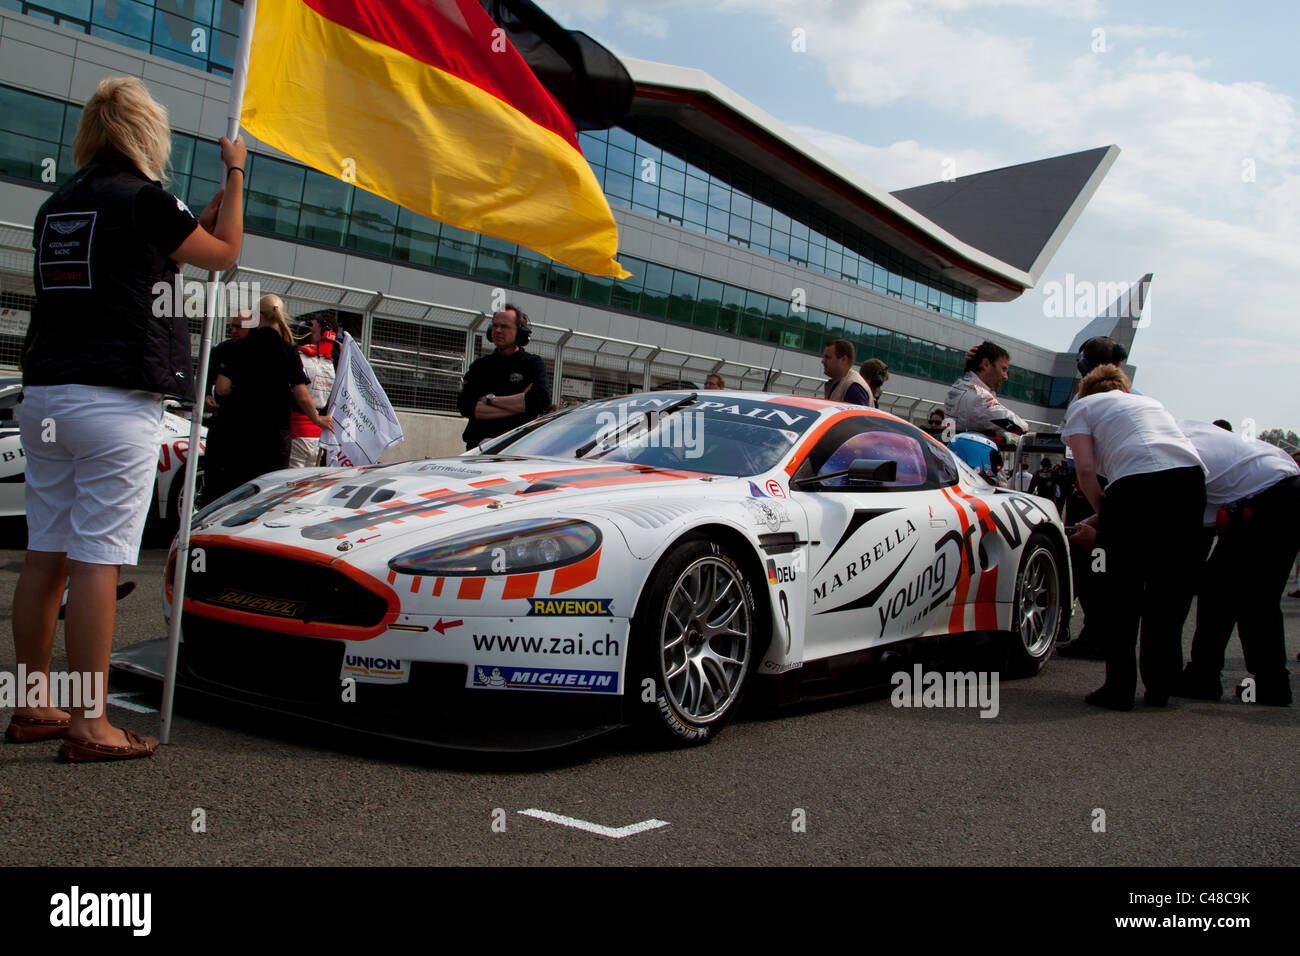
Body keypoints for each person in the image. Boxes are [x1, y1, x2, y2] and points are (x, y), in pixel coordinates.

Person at [10, 76, 245, 760]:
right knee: (96, 562)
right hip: (115, 401)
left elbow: (162, 246)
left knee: (45, 556)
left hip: (47, 394)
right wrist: (234, 170)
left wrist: (196, 214)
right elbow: (224, 255)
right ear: (147, 133)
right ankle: (90, 723)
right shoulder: (145, 198)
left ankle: (31, 704)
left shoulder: (58, 204)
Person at [1063, 365, 1206, 710]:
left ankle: (1119, 688)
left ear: (1086, 390)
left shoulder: (1083, 406)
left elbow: (1083, 470)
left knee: (1123, 591)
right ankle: (1160, 687)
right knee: (1167, 591)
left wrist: (1105, 514)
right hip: (1189, 483)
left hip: (1135, 486)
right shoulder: (1152, 405)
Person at [1174, 420, 1298, 706]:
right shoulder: (1185, 429)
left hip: (1268, 499)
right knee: (1248, 596)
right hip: (1282, 489)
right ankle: (1269, 682)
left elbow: (1192, 526)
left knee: (1227, 593)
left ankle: (1208, 677)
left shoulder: (1176, 455)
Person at [205, 294, 335, 502]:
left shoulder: (236, 348)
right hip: (274, 436)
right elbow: (301, 396)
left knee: (233, 494)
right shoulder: (288, 351)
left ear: (258, 317)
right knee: (268, 495)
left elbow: (221, 388)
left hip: (238, 432)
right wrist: (317, 418)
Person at [457, 304, 550, 449]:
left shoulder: (533, 364)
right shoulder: (480, 366)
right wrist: (519, 406)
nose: (498, 330)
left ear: (520, 332)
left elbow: (540, 400)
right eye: (495, 326)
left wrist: (490, 400)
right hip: (478, 449)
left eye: (505, 326)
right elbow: (465, 406)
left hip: (517, 449)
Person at [944, 340, 1028, 439]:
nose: (1006, 377)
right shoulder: (980, 398)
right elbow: (1021, 429)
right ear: (986, 364)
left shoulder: (956, 387)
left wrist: (971, 365)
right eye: (1003, 369)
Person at [288, 313, 338, 468]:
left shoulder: (332, 358)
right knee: (301, 484)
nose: (307, 327)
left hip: (309, 429)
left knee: (298, 484)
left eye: (311, 325)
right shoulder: (333, 360)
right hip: (308, 429)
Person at [821, 339, 871, 406]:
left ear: (844, 359)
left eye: (828, 357)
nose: (823, 361)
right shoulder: (841, 383)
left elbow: (857, 416)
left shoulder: (854, 388)